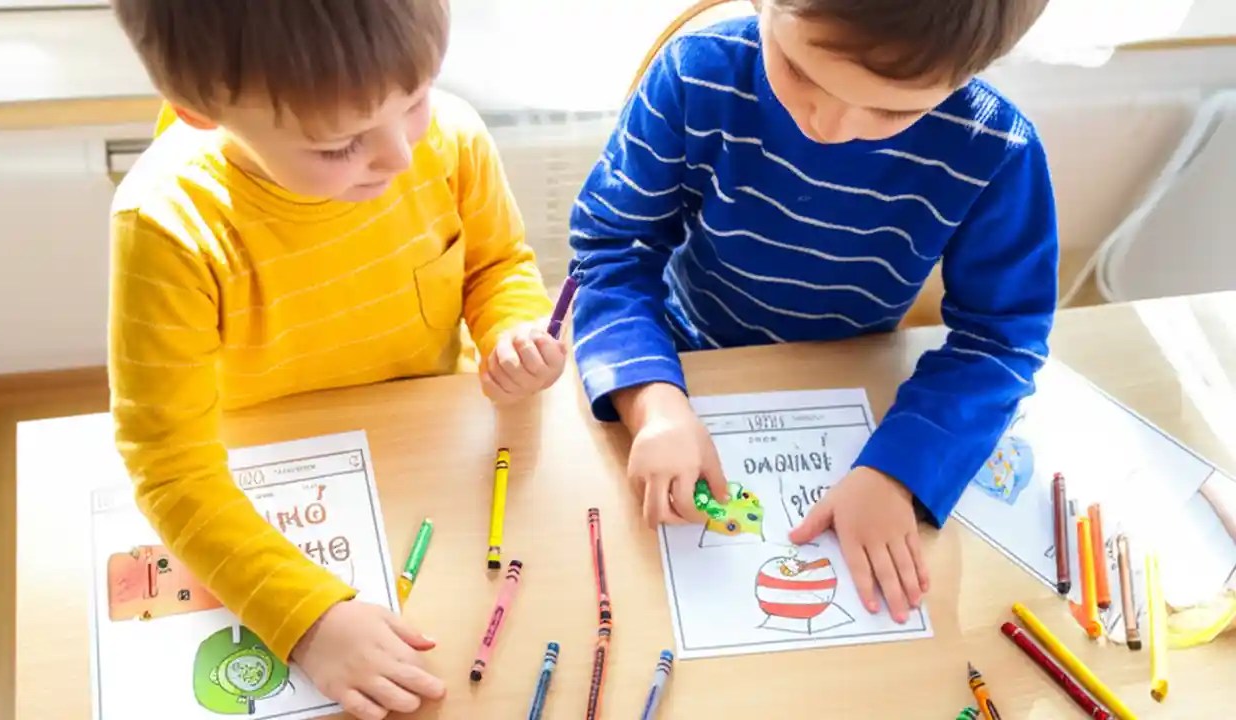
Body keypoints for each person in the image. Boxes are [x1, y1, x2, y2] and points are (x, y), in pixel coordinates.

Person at [107, 2, 565, 718]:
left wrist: (511, 328)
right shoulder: (167, 227)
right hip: (278, 491)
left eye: (415, 99)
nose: (400, 155)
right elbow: (169, 469)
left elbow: (498, 264)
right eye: (339, 145)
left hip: (433, 475)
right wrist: (307, 619)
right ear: (202, 111)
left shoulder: (451, 136)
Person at [568, 0, 1057, 625]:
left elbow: (1002, 339)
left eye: (891, 109)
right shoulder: (697, 75)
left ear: (970, 72)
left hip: (852, 390)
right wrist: (651, 400)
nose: (830, 123)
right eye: (800, 72)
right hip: (686, 356)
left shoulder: (996, 148)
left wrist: (896, 472)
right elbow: (614, 246)